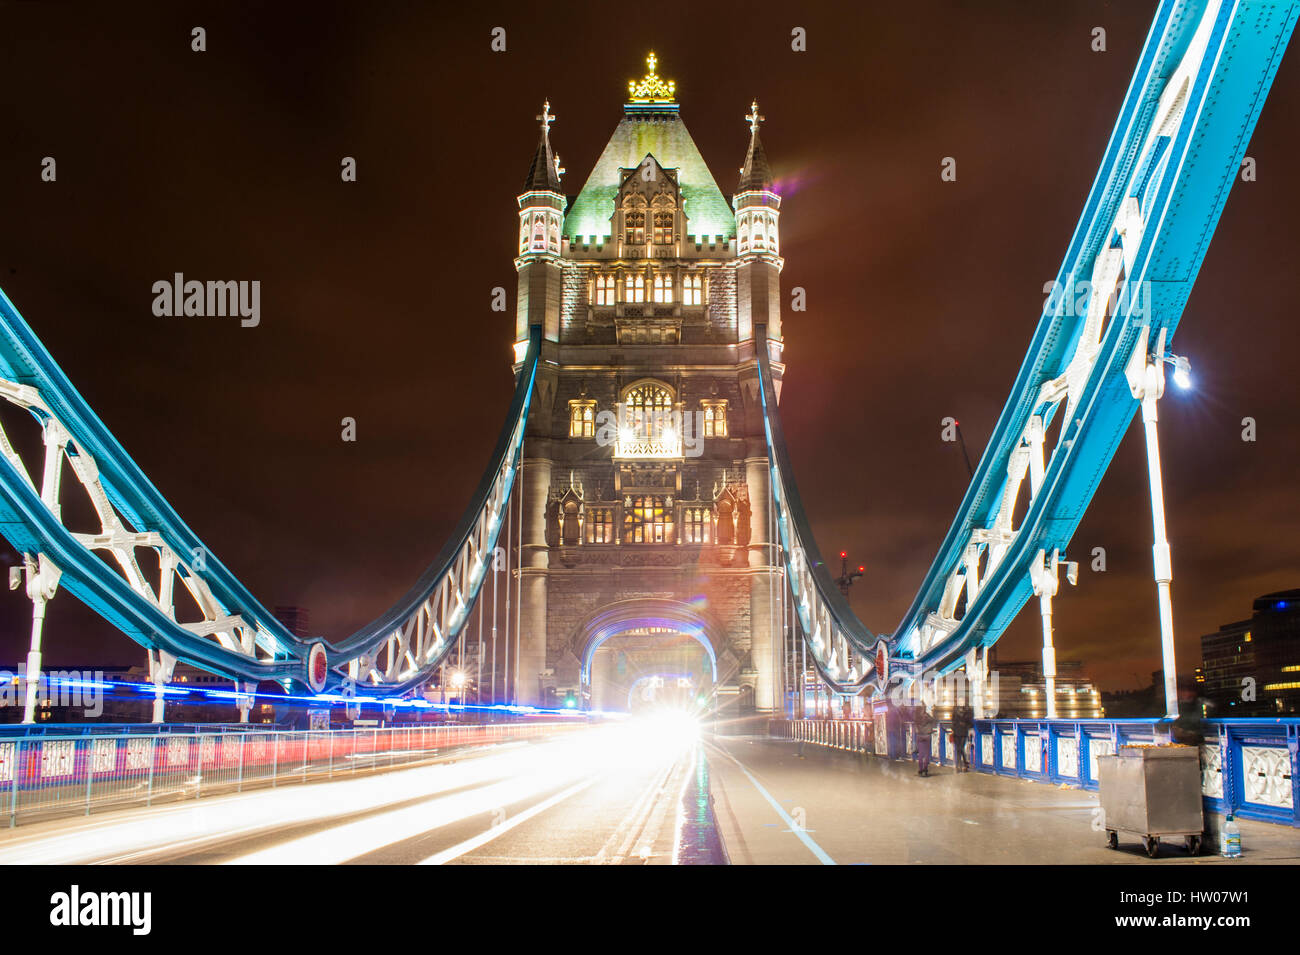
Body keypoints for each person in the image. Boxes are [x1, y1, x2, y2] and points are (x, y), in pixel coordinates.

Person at [914, 703, 936, 776]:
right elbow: (933, 720)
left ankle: (920, 769)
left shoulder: (917, 717)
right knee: (926, 754)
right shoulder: (927, 716)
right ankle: (925, 769)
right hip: (927, 736)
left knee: (920, 753)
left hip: (920, 735)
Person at [951, 703, 973, 773]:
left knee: (961, 748)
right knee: (958, 748)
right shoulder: (955, 711)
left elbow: (970, 722)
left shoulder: (967, 711)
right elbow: (953, 721)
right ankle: (960, 765)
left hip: (963, 732)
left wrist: (966, 725)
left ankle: (963, 764)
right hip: (957, 732)